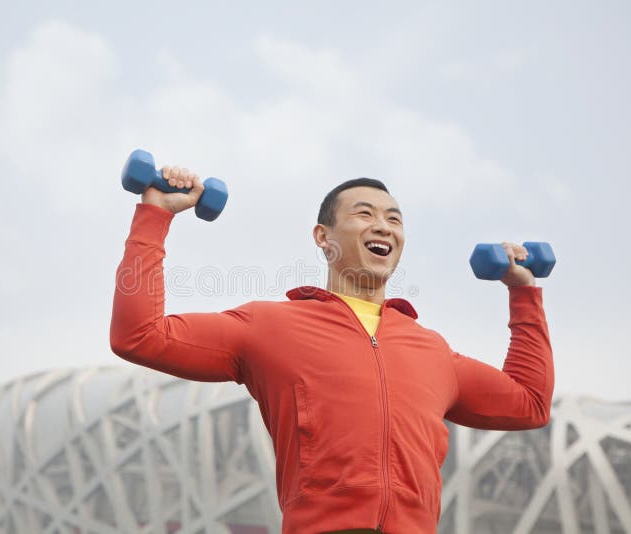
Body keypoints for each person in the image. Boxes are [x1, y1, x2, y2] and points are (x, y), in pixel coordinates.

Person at [110, 165, 554, 534]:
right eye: (365, 214)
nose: (383, 225)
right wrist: (156, 213)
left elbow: (530, 403)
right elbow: (140, 334)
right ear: (323, 237)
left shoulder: (432, 350)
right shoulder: (270, 328)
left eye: (394, 219)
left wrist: (524, 292)